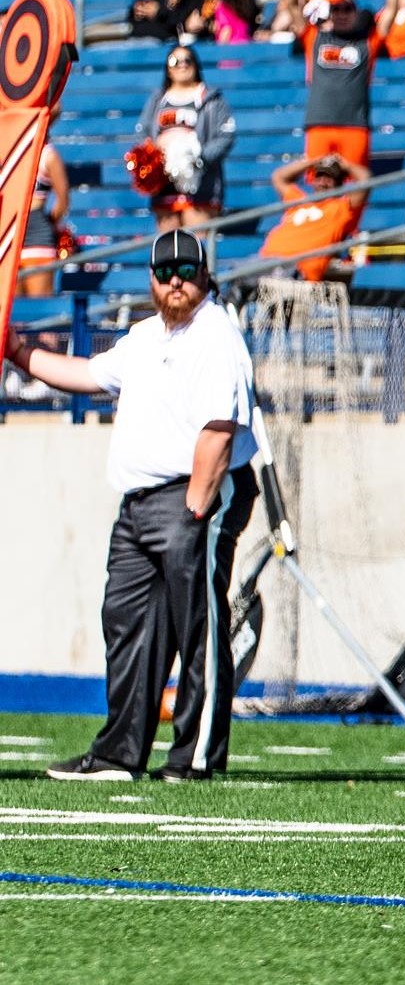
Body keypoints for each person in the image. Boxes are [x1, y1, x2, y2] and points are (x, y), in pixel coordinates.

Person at [6, 231, 258, 782]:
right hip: (139, 502)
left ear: (205, 275)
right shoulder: (145, 337)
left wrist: (195, 509)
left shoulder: (216, 336)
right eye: (165, 272)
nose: (175, 282)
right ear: (150, 278)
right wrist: (18, 352)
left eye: (186, 271)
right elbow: (85, 375)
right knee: (126, 625)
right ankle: (119, 753)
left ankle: (193, 756)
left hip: (194, 494)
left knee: (197, 626)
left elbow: (219, 430)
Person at [289, 0, 392, 174]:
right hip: (319, 125)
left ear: (355, 12)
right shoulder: (315, 38)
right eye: (336, 9)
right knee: (319, 182)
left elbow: (391, 11)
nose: (342, 14)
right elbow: (292, 7)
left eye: (348, 9)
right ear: (330, 13)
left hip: (355, 126)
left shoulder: (367, 43)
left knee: (354, 185)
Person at [140, 47, 236, 231]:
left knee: (196, 243)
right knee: (168, 246)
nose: (182, 65)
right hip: (164, 186)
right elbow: (142, 134)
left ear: (196, 65)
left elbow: (225, 137)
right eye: (175, 61)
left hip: (201, 187)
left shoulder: (212, 99)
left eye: (188, 60)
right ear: (167, 68)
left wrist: (197, 159)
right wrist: (155, 156)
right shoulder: (157, 100)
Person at [262, 153, 368, 281]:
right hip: (266, 261)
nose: (322, 182)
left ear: (339, 184)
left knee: (244, 279)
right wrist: (312, 162)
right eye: (319, 177)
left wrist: (345, 165)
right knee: (239, 270)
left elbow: (365, 179)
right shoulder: (298, 200)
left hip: (296, 270)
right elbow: (278, 176)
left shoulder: (341, 207)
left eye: (329, 178)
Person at [17, 139, 69, 297]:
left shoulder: (47, 154)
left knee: (38, 307)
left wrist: (49, 223)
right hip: (8, 239)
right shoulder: (8, 149)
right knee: (11, 310)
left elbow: (63, 202)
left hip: (37, 239)